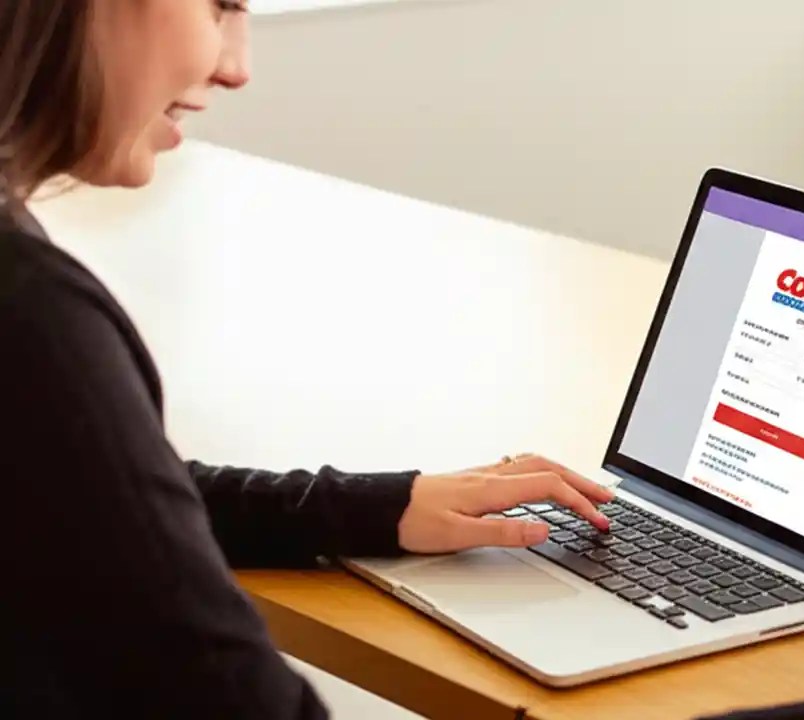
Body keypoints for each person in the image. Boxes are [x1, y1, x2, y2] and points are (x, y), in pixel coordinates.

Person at [0, 1, 613, 717]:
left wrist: (377, 507)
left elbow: (91, 500)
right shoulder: (30, 316)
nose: (237, 66)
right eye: (219, 5)